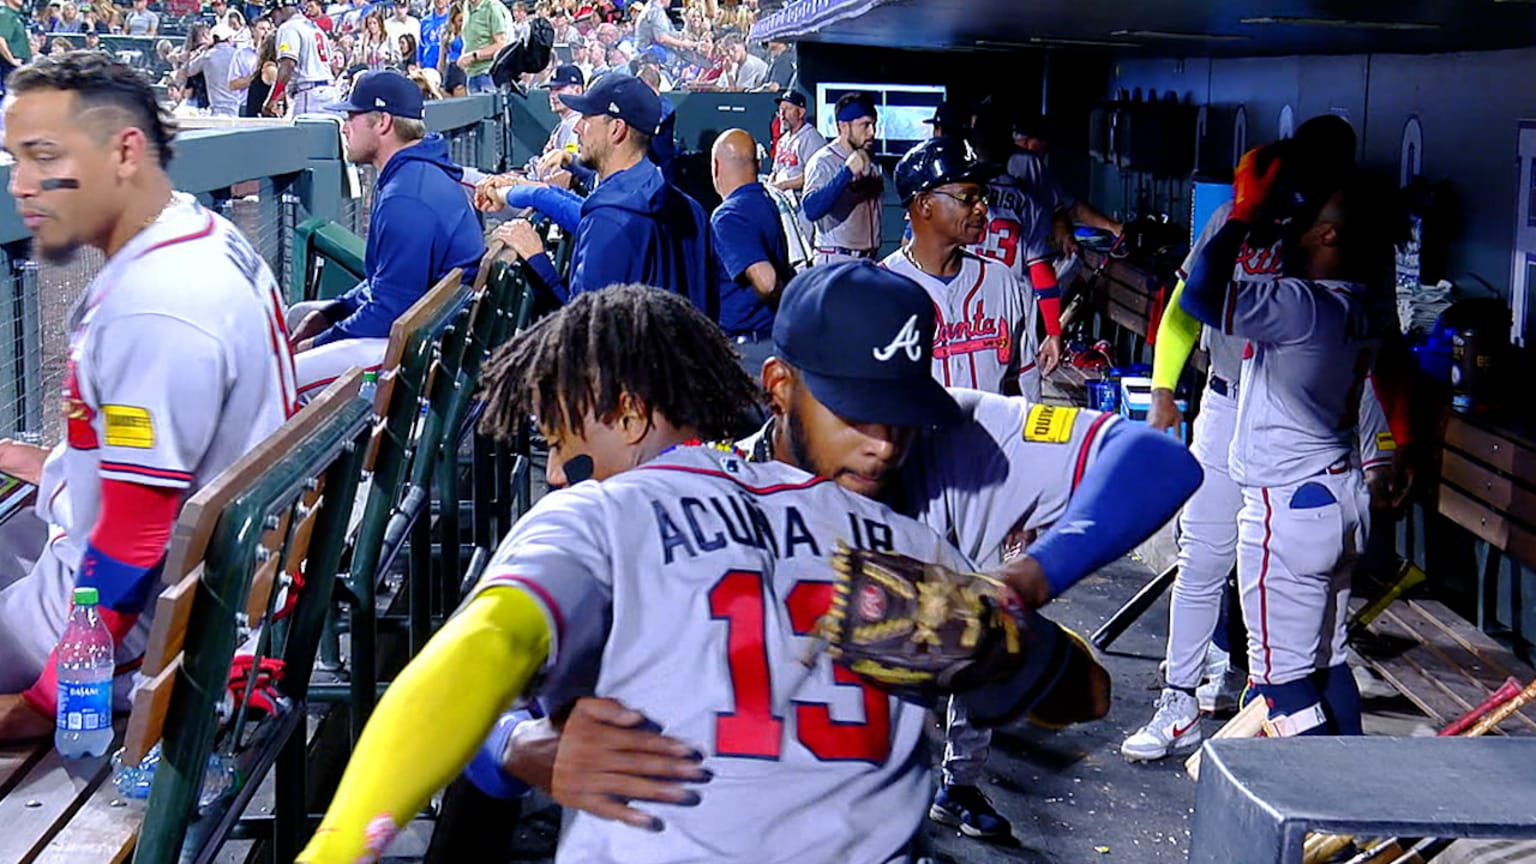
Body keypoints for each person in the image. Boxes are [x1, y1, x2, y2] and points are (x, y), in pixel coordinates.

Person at [297, 267, 1188, 863]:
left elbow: (479, 656)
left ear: (630, 412)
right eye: (854, 409)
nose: (883, 441)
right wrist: (983, 630)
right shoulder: (904, 569)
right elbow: (1083, 694)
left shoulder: (614, 514)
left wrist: (336, 849)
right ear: (778, 388)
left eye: (564, 431)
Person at [0, 52, 296, 740]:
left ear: (124, 151)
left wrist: (46, 704)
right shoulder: (203, 235)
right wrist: (28, 457)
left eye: (44, 158)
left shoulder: (156, 303)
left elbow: (133, 538)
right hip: (206, 598)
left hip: (138, 636)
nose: (22, 186)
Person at [1121, 117, 1408, 761]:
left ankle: (1288, 735)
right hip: (1244, 404)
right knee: (1204, 561)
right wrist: (1165, 389)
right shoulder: (1291, 232)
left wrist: (1384, 444)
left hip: (1291, 445)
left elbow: (1203, 299)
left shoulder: (1322, 239)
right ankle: (1181, 699)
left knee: (1283, 622)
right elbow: (1180, 314)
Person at [1178, 151, 1397, 743]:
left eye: (1306, 221)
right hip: (1341, 497)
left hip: (1289, 509)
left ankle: (1325, 812)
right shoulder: (1363, 302)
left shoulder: (1306, 306)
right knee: (1329, 662)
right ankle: (1356, 810)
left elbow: (1201, 298)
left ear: (1329, 234)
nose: (1291, 227)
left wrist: (1243, 213)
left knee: (1282, 687)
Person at [285, 70, 484, 399]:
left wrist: (316, 343)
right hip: (430, 335)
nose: (345, 127)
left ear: (383, 123)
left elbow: (390, 310)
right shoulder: (415, 173)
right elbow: (386, 286)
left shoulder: (408, 196)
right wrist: (335, 310)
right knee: (302, 315)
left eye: (352, 117)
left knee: (285, 379)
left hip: (426, 358)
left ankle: (334, 451)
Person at [488, 73, 715, 316]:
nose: (577, 126)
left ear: (617, 130)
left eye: (586, 118)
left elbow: (582, 332)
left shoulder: (609, 223)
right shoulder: (688, 206)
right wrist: (539, 191)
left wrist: (536, 259)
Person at [884, 136, 1036, 399]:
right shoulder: (880, 289)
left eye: (982, 197)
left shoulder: (1001, 280)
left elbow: (1020, 380)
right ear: (924, 204)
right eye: (968, 197)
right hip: (919, 439)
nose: (982, 208)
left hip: (992, 438)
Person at [963, 109, 1066, 400]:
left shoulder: (959, 198)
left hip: (968, 305)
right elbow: (1041, 271)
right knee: (1021, 401)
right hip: (1015, 305)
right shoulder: (1026, 200)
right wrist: (1054, 331)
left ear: (974, 144)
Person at [710, 128, 792, 376]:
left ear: (715, 167)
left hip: (749, 352)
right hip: (772, 341)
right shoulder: (767, 202)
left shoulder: (729, 216)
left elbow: (767, 282)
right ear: (757, 164)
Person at [802, 92, 882, 264]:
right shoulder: (824, 160)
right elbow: (811, 209)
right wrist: (846, 173)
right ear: (844, 126)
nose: (872, 132)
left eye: (874, 125)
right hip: (836, 258)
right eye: (865, 125)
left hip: (868, 260)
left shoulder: (871, 159)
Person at [767, 89, 824, 255]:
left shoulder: (811, 137)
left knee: (802, 252)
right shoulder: (784, 140)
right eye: (780, 110)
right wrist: (772, 184)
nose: (782, 114)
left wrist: (784, 185)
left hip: (802, 207)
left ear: (801, 111)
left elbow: (814, 175)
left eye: (787, 109)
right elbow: (775, 170)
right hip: (785, 205)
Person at [266, 0, 337, 116]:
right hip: (330, 93)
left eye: (273, 14)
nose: (272, 20)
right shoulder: (315, 28)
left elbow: (288, 65)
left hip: (309, 95)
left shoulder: (288, 28)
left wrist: (273, 99)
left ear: (281, 9)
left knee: (303, 134)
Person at [184, 23, 244, 116]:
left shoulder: (206, 56)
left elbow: (188, 71)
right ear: (229, 39)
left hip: (216, 108)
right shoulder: (239, 55)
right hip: (237, 107)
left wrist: (196, 54)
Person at [457, 0, 510, 93]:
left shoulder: (492, 7)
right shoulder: (466, 6)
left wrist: (474, 56)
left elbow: (501, 45)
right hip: (471, 74)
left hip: (488, 74)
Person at [541, 63, 584, 158]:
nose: (552, 96)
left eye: (559, 89)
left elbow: (570, 168)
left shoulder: (574, 124)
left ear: (577, 90)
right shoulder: (566, 123)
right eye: (551, 90)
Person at [419, 0, 458, 72]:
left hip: (448, 67)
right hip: (428, 66)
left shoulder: (454, 19)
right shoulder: (425, 21)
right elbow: (421, 46)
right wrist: (419, 65)